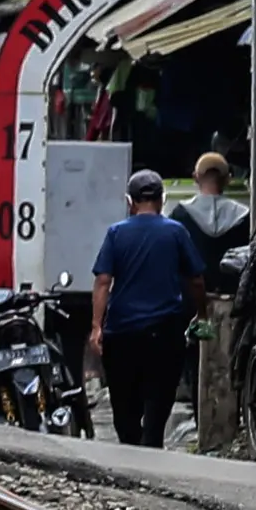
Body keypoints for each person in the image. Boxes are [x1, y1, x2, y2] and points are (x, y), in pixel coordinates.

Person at [87, 169, 208, 448]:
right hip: (165, 335)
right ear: (162, 200)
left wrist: (96, 326)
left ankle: (132, 454)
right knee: (156, 413)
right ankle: (150, 454)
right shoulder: (176, 232)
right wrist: (201, 314)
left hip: (121, 335)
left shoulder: (116, 233)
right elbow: (197, 280)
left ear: (130, 202)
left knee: (124, 413)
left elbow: (103, 281)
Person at [169, 151, 251, 269]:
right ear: (228, 179)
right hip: (233, 280)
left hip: (192, 280)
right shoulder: (244, 216)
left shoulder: (179, 214)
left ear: (195, 177)